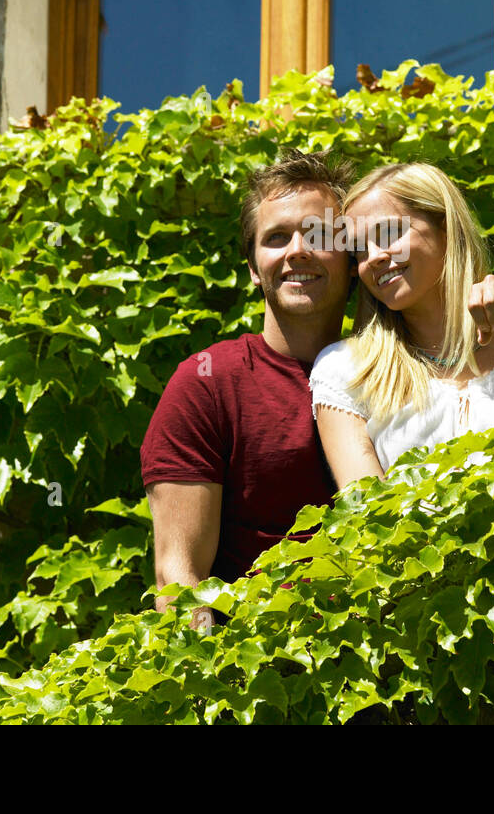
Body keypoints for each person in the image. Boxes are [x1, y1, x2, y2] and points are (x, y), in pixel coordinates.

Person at [140, 149, 356, 629]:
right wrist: (220, 680)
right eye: (276, 237)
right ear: (255, 269)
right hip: (256, 675)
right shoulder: (207, 383)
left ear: (353, 260)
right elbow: (179, 577)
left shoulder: (391, 371)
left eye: (319, 234)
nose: (297, 250)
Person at [309, 162, 494, 489]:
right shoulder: (349, 372)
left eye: (388, 233)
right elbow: (367, 514)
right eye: (359, 250)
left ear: (445, 229)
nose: (373, 257)